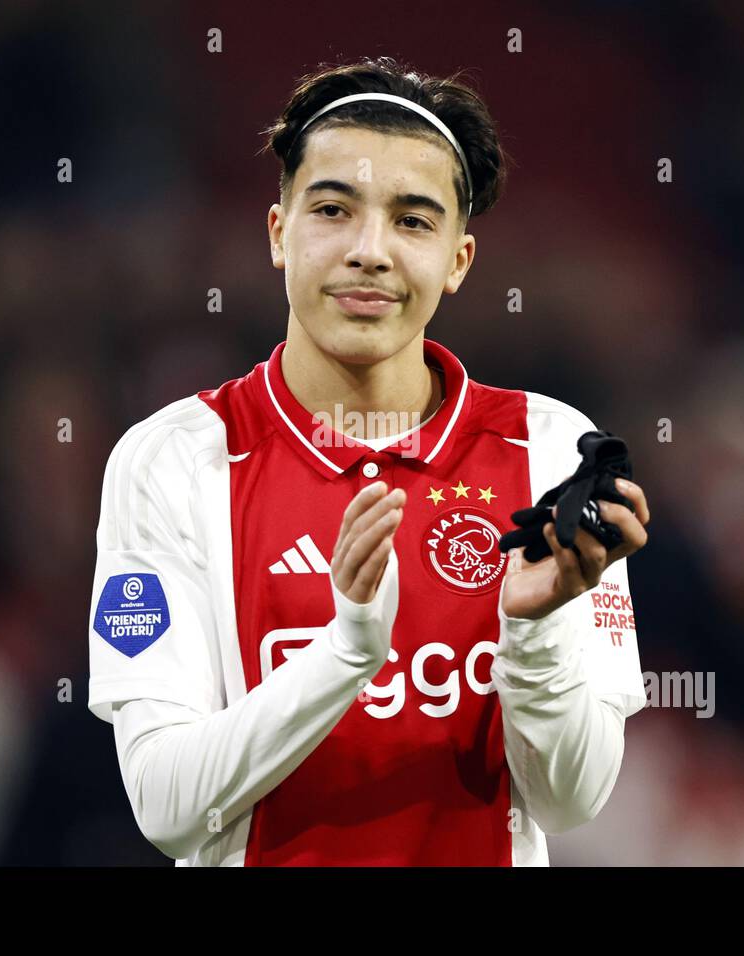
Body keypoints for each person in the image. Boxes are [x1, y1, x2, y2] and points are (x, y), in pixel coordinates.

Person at [87, 56, 651, 866]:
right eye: (332, 210)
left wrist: (535, 631)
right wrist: (346, 651)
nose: (370, 252)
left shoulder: (551, 451)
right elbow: (166, 805)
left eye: (413, 221)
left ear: (459, 259)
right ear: (279, 233)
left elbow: (569, 800)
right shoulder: (173, 460)